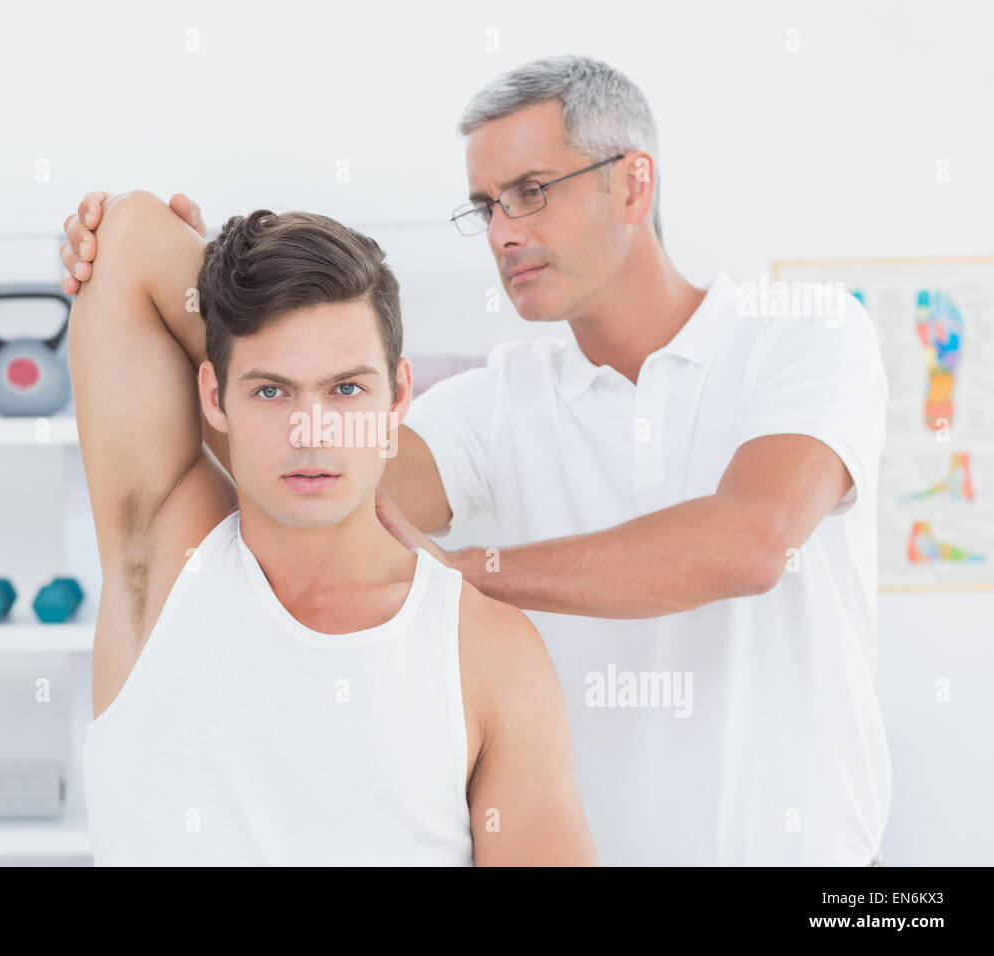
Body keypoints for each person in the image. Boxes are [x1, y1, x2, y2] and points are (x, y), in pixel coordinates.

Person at [62, 55, 891, 866]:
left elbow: (753, 544)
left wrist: (464, 571)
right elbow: (317, 472)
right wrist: (228, 277)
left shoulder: (804, 335)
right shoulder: (501, 403)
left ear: (634, 184)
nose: (502, 232)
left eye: (531, 192)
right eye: (485, 206)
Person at [71, 190, 598, 865]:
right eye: (271, 390)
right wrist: (227, 303)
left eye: (346, 389)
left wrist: (238, 330)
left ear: (399, 395)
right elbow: (131, 233)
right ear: (214, 395)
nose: (310, 431)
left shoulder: (486, 652)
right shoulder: (164, 570)